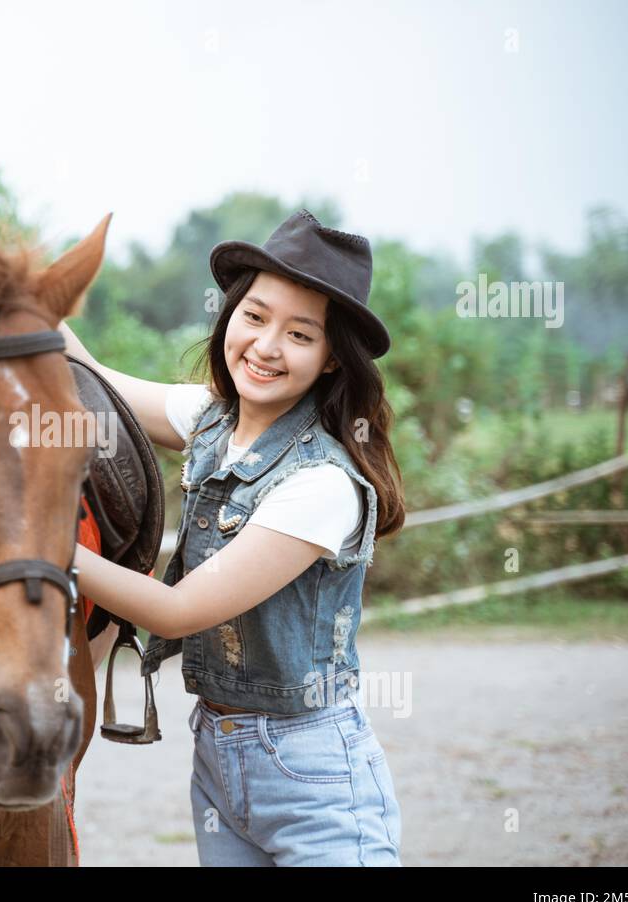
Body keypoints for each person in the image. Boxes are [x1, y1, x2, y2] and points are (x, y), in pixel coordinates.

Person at [62, 209, 407, 865]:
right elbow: (95, 378)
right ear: (230, 316)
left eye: (300, 334)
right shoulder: (212, 419)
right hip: (218, 757)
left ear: (333, 358)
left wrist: (40, 549)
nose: (267, 345)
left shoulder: (322, 484)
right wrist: (19, 298)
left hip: (315, 778)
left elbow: (178, 610)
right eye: (255, 316)